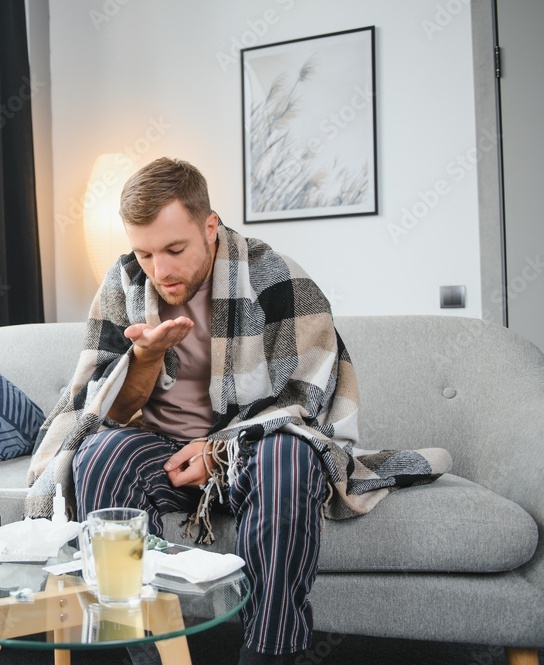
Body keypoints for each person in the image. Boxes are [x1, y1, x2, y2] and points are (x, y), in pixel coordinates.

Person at [25, 157, 451, 664]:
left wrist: (220, 449)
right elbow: (106, 410)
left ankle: (268, 651)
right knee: (98, 456)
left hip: (254, 451)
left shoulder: (279, 278)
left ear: (210, 227)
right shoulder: (124, 285)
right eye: (144, 253)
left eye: (175, 249)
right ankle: (145, 649)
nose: (160, 270)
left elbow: (307, 403)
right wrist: (144, 357)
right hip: (164, 457)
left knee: (289, 458)